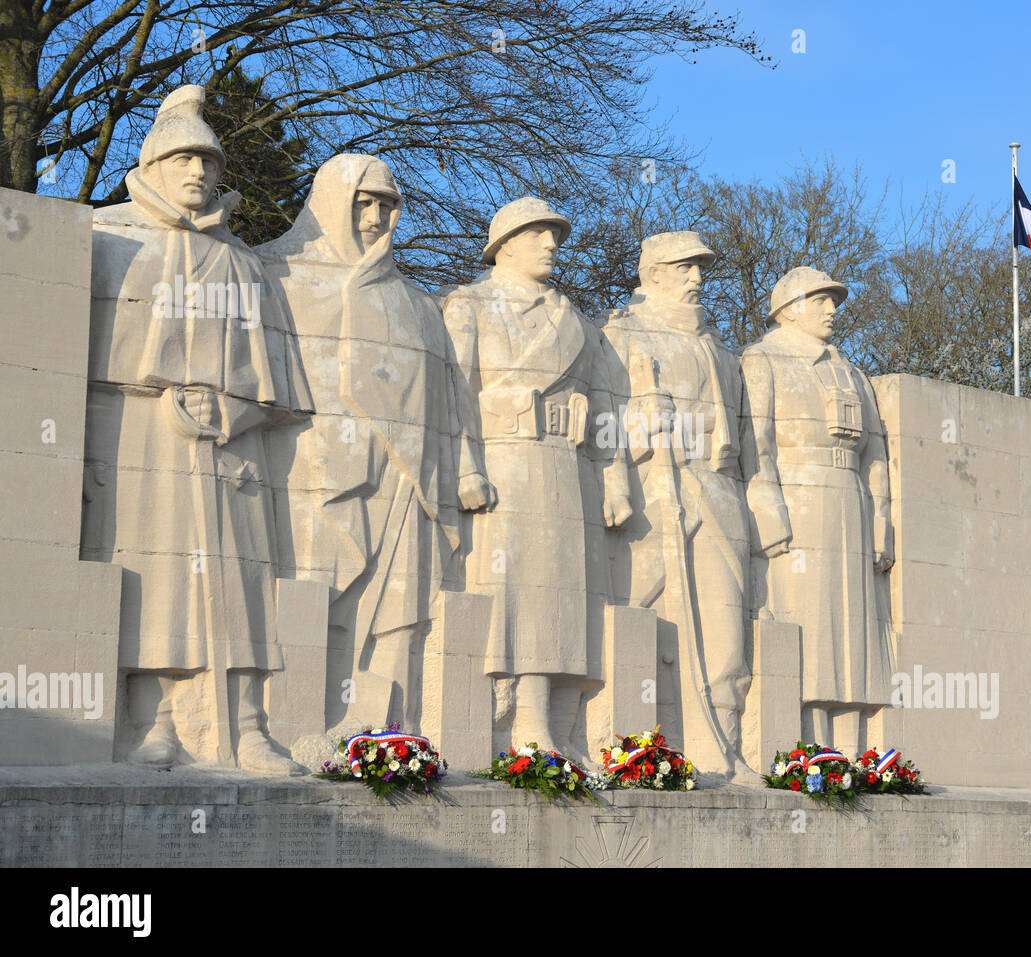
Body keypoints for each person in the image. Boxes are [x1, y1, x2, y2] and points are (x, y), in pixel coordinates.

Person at [81, 85, 311, 772]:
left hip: (232, 450)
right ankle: (156, 721)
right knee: (155, 580)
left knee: (243, 584)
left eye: (208, 163)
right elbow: (88, 359)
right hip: (142, 439)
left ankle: (246, 724)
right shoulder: (113, 240)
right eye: (183, 159)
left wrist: (233, 411)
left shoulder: (245, 263)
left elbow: (281, 388)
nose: (198, 173)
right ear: (152, 165)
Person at [257, 154, 480, 733]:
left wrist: (462, 469)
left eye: (387, 203)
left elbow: (453, 400)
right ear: (334, 200)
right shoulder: (277, 272)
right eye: (365, 201)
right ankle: (304, 724)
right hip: (321, 463)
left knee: (402, 603)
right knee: (322, 584)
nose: (378, 215)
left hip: (408, 475)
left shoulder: (416, 303)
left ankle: (388, 732)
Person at [442, 197, 630, 755]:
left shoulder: (575, 319)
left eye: (555, 236)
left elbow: (605, 405)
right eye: (538, 235)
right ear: (504, 244)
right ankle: (523, 721)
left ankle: (563, 723)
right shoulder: (469, 305)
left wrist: (614, 478)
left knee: (571, 595)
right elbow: (455, 393)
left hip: (568, 466)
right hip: (507, 461)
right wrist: (466, 466)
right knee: (515, 591)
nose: (552, 245)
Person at [602, 231, 761, 783]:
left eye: (701, 269)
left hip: (718, 491)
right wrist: (628, 465)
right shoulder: (622, 335)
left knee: (727, 637)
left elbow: (744, 449)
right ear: (653, 273)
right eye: (685, 267)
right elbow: (607, 426)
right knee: (647, 624)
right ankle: (640, 750)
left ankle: (726, 748)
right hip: (655, 492)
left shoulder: (719, 349)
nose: (698, 278)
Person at [740, 266, 895, 756]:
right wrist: (770, 519)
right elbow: (756, 444)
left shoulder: (851, 372)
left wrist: (880, 529)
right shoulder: (762, 359)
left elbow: (875, 459)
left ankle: (856, 753)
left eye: (835, 301)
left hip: (850, 504)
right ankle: (808, 745)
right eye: (821, 300)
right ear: (789, 308)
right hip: (799, 505)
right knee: (806, 622)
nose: (832, 310)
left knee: (855, 635)